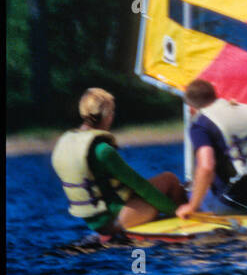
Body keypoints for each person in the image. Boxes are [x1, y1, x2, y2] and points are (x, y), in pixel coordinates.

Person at [51, 88, 186, 238]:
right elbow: (140, 186)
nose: (113, 116)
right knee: (172, 184)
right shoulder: (102, 151)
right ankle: (188, 222)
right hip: (116, 221)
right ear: (107, 115)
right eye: (112, 112)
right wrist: (175, 210)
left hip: (96, 222)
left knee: (168, 179)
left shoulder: (69, 142)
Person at [176, 80, 247, 218]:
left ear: (191, 108)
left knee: (196, 198)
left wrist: (192, 206)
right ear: (214, 95)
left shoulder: (200, 125)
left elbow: (206, 167)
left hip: (240, 198)